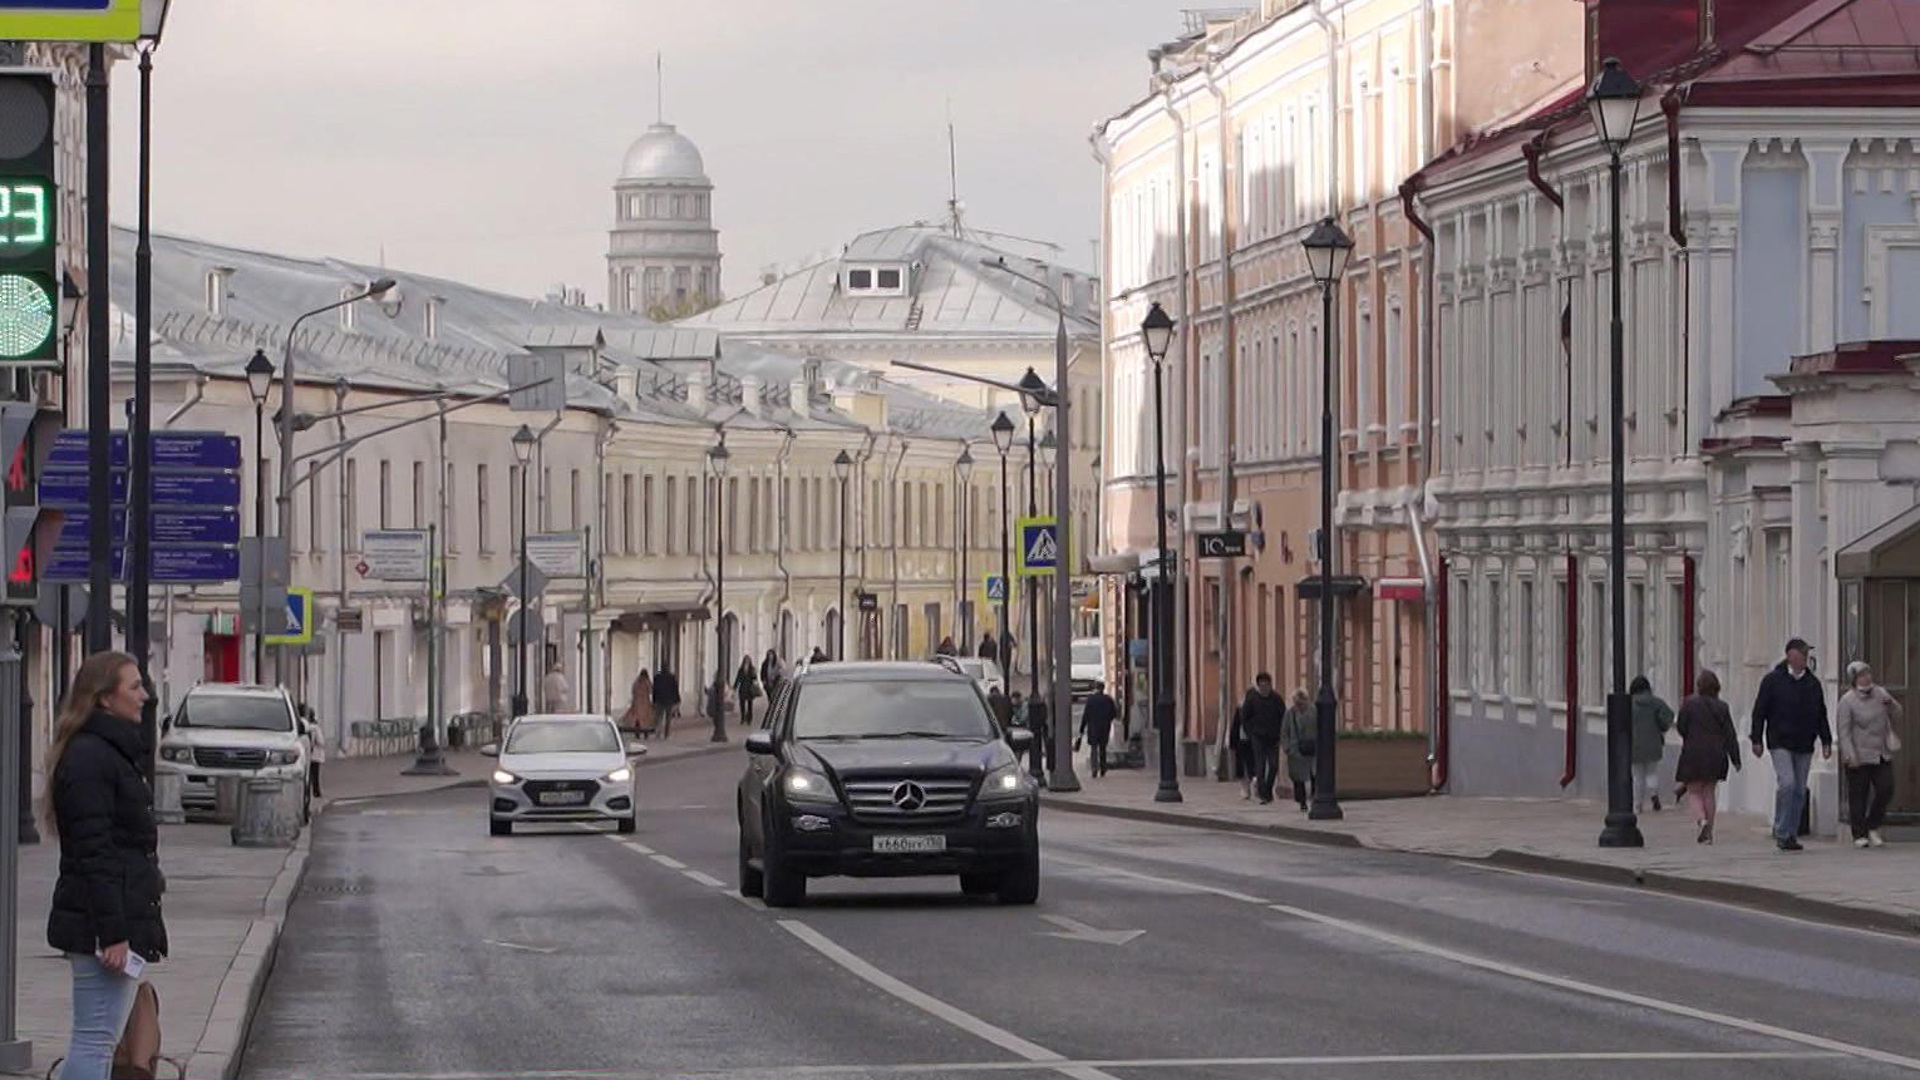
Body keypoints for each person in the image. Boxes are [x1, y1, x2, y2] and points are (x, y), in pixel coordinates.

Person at [42, 652, 169, 1080]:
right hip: (103, 924)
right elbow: (93, 853)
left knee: (97, 1037)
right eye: (134, 687)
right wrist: (112, 934)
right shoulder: (92, 759)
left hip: (112, 915)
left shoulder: (107, 752)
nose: (145, 696)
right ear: (104, 699)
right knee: (95, 1040)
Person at [1750, 637, 1832, 852]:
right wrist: (1756, 739)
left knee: (1798, 790)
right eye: (1799, 656)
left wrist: (1826, 740)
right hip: (1780, 741)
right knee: (1787, 783)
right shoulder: (1773, 681)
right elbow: (1760, 711)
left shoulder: (1812, 684)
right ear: (1789, 656)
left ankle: (1791, 834)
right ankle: (1781, 829)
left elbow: (1821, 713)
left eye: (1805, 656)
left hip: (1804, 742)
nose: (1803, 660)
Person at [1836, 660, 1902, 849]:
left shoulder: (1880, 693)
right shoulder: (1847, 700)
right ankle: (1859, 833)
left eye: (1868, 673)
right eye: (1862, 675)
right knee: (1858, 795)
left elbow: (1898, 712)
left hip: (1881, 752)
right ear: (1855, 679)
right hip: (1859, 753)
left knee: (1886, 788)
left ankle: (1873, 824)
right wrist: (1850, 754)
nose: (1867, 678)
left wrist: (1892, 705)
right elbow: (1844, 731)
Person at [1675, 669, 1742, 844]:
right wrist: (1736, 758)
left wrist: (1690, 736)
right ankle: (1709, 832)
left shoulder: (1689, 703)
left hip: (1694, 753)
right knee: (1709, 792)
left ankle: (1701, 820)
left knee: (1694, 791)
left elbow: (1681, 726)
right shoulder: (1722, 707)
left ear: (1699, 686)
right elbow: (1730, 734)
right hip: (1716, 754)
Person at [1629, 675, 1675, 813]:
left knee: (1637, 776)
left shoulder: (1629, 703)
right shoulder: (1656, 702)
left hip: (1634, 744)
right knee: (1652, 772)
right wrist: (1662, 727)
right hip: (1654, 742)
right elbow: (1669, 715)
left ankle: (1637, 805)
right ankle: (1654, 795)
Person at [1240, 673, 1286, 805]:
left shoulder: (1276, 699)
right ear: (1258, 686)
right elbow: (1245, 717)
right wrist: (1251, 733)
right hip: (1258, 737)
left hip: (1273, 738)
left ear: (1270, 685)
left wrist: (1281, 733)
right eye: (1262, 685)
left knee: (1273, 765)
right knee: (1260, 767)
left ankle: (1268, 789)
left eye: (1267, 685)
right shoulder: (1252, 699)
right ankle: (1263, 794)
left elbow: (1283, 716)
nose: (1264, 688)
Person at [1281, 687, 1316, 811]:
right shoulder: (1290, 713)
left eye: (1302, 702)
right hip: (1295, 750)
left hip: (1312, 748)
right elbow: (1284, 731)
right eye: (1297, 702)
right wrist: (1287, 747)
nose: (1299, 705)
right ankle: (1302, 801)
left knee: (1314, 774)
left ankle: (1314, 796)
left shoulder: (1314, 711)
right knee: (1297, 777)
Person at [1078, 682, 1118, 779]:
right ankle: (1103, 768)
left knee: (1094, 748)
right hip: (1104, 727)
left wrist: (1082, 728)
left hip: (1093, 727)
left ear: (1095, 688)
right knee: (1103, 748)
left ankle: (1094, 769)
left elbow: (1086, 715)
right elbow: (1114, 713)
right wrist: (1107, 720)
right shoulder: (1108, 699)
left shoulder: (1091, 700)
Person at [1229, 699, 1254, 800]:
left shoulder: (1255, 710)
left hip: (1252, 741)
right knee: (1241, 766)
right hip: (1241, 741)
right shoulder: (1239, 709)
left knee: (1252, 765)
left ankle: (1250, 785)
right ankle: (1245, 788)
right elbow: (1235, 727)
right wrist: (1232, 743)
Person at [299, 702, 325, 799]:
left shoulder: (304, 727)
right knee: (315, 775)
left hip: (307, 754)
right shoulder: (315, 727)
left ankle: (309, 792)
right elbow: (321, 741)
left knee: (308, 775)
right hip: (315, 755)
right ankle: (316, 792)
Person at [622, 669, 655, 738]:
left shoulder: (636, 682)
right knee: (646, 719)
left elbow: (633, 690)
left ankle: (637, 733)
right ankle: (646, 734)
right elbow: (651, 690)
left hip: (637, 702)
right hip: (645, 702)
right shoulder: (647, 681)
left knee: (637, 719)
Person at [652, 668, 681, 740]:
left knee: (659, 717)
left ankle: (658, 732)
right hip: (669, 700)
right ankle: (666, 734)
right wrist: (677, 699)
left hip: (659, 700)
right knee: (668, 718)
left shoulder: (657, 678)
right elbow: (675, 689)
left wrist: (654, 700)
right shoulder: (671, 678)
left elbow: (654, 690)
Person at [733, 657, 762, 728]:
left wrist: (754, 675)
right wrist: (735, 687)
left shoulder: (752, 669)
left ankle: (749, 718)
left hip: (750, 689)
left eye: (748, 661)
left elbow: (755, 678)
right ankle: (743, 718)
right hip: (742, 689)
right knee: (742, 704)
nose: (746, 662)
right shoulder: (741, 669)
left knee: (750, 704)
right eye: (745, 661)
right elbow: (738, 679)